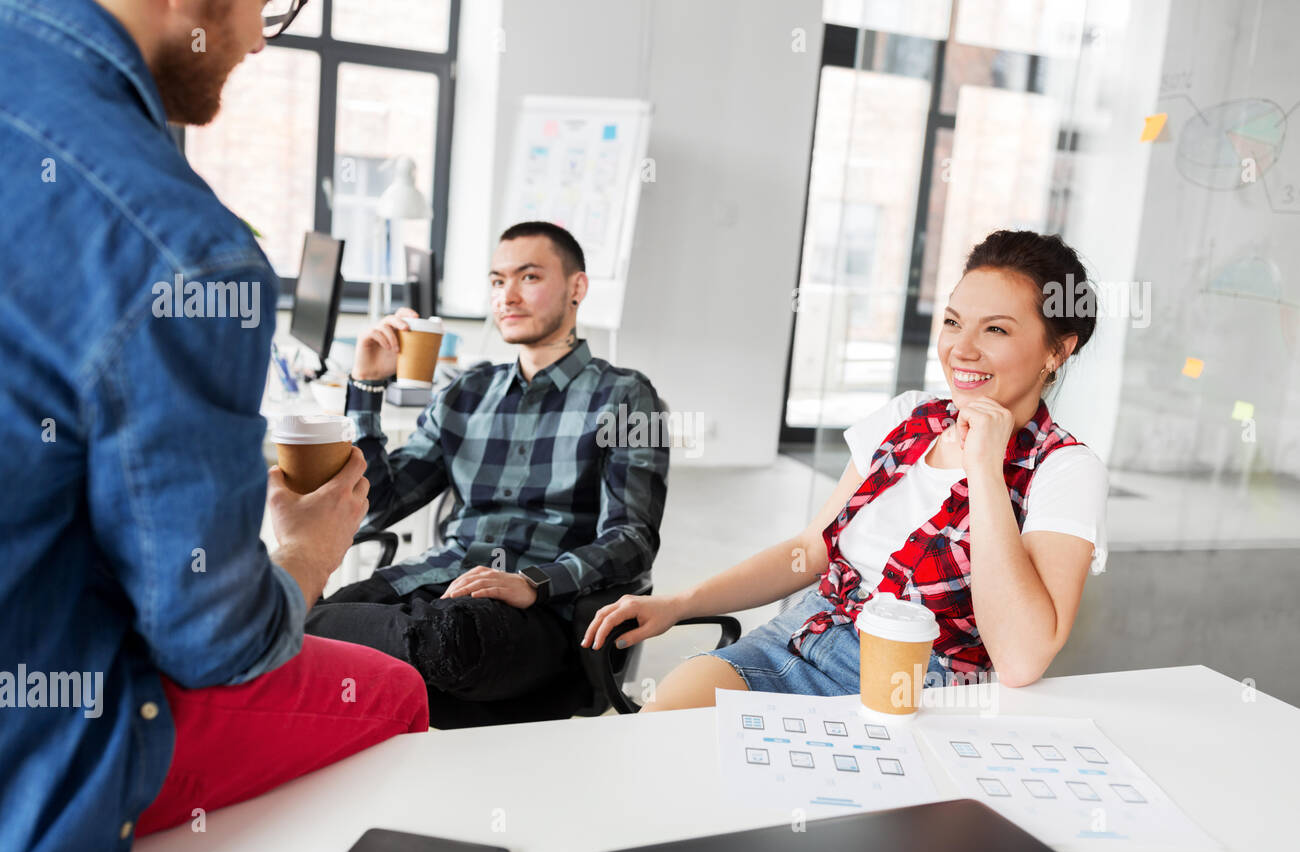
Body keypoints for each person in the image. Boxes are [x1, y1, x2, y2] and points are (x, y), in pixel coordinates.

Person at [0, 0, 428, 852]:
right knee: (390, 692)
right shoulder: (180, 250)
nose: (262, 35)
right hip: (37, 758)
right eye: (264, 4)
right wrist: (307, 557)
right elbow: (213, 643)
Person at [583, 230, 1109, 707]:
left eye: (995, 329)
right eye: (952, 322)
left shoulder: (1063, 470)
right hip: (797, 640)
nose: (961, 349)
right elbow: (811, 551)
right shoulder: (909, 417)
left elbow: (1020, 660)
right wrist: (680, 603)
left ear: (1057, 351)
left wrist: (987, 473)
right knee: (662, 738)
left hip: (916, 693)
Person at [304, 222, 670, 728]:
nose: (508, 295)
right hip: (434, 584)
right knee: (293, 622)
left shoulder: (626, 396)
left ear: (576, 289)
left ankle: (385, 641)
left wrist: (533, 582)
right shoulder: (467, 392)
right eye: (498, 281)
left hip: (537, 609)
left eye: (529, 277)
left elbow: (632, 539)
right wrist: (366, 386)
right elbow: (380, 504)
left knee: (444, 638)